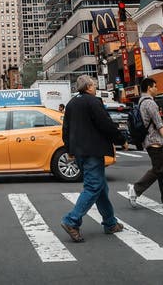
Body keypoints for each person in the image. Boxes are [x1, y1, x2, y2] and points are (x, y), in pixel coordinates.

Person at [60, 75, 128, 243]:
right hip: (92, 152)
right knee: (93, 187)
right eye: (94, 85)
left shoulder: (71, 104)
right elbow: (105, 124)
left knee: (100, 188)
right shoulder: (93, 102)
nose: (95, 87)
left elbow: (66, 129)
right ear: (89, 86)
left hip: (79, 153)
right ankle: (71, 220)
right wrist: (121, 140)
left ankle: (110, 223)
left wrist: (69, 149)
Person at [127, 77, 163, 210]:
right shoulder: (150, 103)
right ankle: (135, 189)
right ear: (149, 88)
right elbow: (159, 124)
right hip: (154, 141)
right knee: (158, 169)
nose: (156, 89)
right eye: (155, 86)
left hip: (149, 140)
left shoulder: (141, 102)